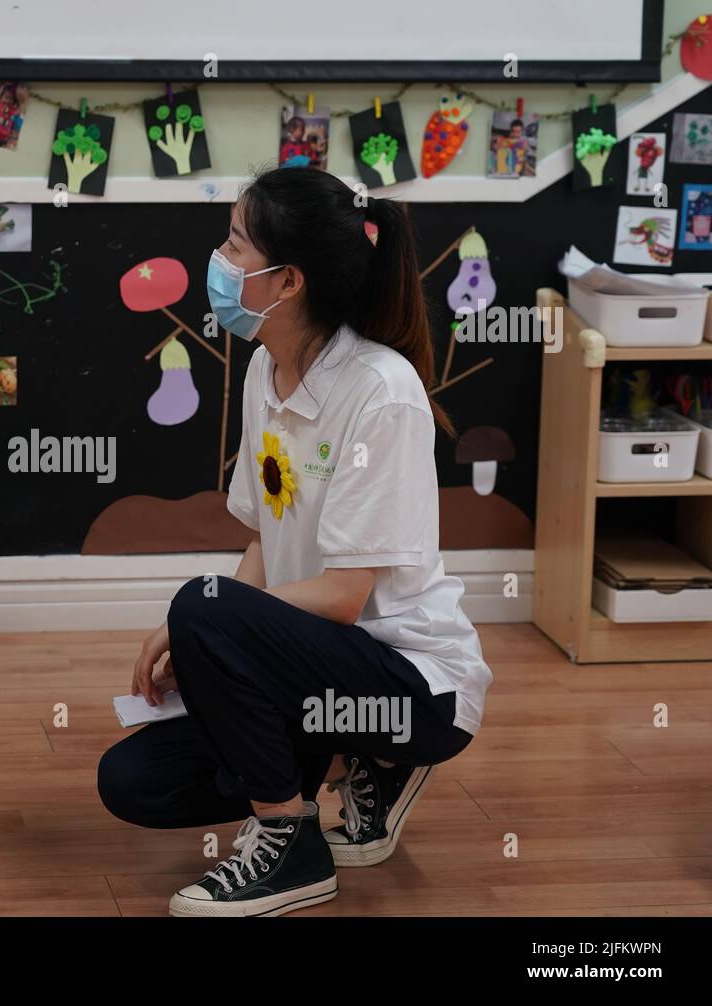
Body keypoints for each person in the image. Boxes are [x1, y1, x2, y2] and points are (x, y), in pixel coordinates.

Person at [97, 167, 492, 917]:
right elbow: (265, 542)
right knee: (133, 781)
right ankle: (359, 762)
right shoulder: (265, 369)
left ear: (287, 282)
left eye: (234, 244)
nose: (219, 260)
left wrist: (208, 626)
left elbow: (342, 599)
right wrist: (206, 642)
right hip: (321, 674)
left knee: (203, 606)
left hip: (412, 686)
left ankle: (291, 843)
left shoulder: (381, 390)